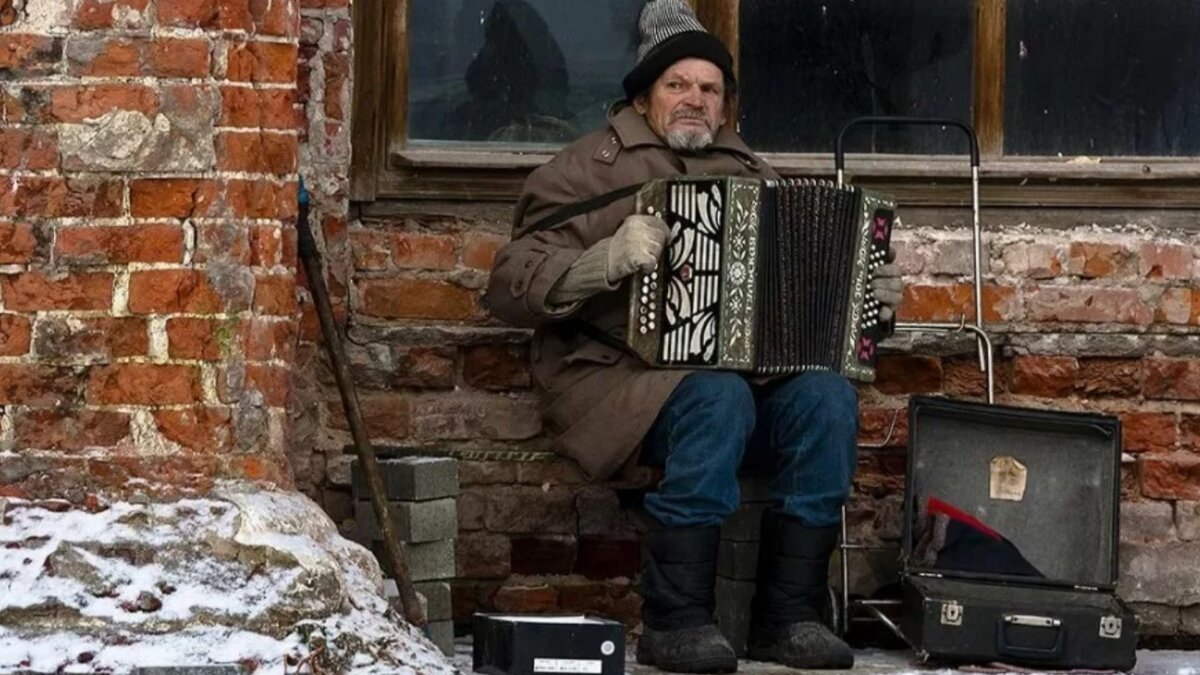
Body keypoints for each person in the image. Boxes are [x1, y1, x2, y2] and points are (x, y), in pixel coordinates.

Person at [485, 0, 904, 671]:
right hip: (613, 379)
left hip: (735, 385)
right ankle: (675, 620)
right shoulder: (587, 168)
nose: (694, 100)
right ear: (645, 94)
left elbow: (806, 304)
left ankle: (789, 615)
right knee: (717, 396)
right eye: (678, 84)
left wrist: (869, 306)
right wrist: (600, 261)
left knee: (828, 399)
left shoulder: (754, 175)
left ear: (725, 105)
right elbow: (507, 280)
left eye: (709, 89)